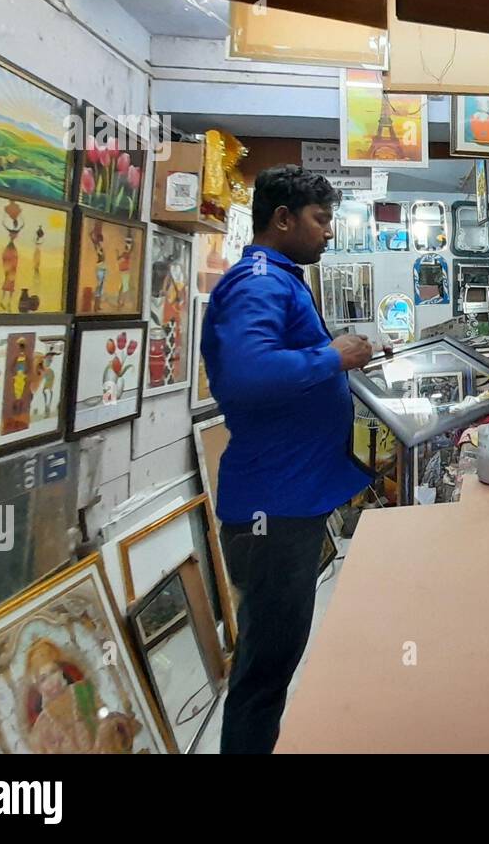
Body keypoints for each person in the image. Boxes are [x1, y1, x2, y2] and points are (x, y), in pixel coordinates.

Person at [201, 165, 378, 754]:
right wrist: (333, 358)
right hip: (271, 510)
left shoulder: (279, 277)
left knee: (271, 661)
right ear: (283, 219)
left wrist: (339, 361)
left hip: (289, 500)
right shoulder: (258, 282)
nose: (329, 233)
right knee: (265, 671)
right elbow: (248, 376)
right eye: (321, 219)